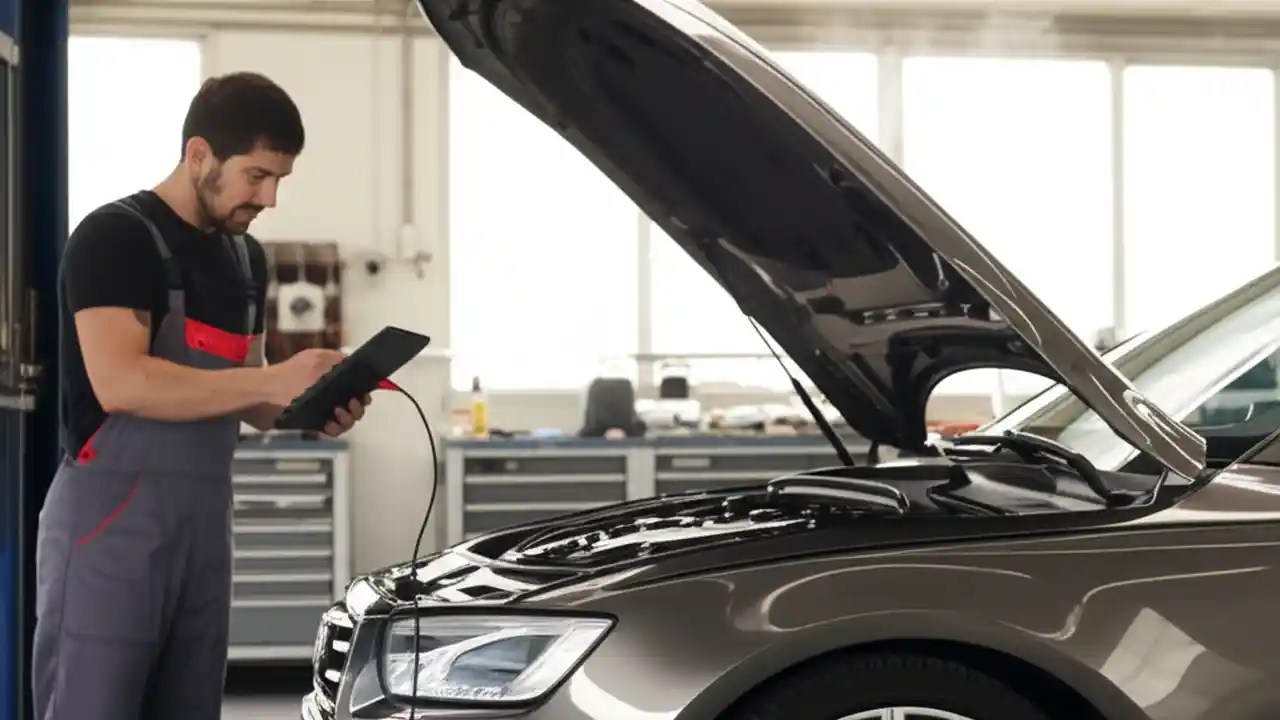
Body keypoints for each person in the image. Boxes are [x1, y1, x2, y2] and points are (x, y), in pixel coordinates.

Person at [31, 71, 368, 719]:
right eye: (256, 176)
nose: (268, 199)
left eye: (280, 181)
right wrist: (269, 379)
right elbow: (121, 381)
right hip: (110, 532)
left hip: (204, 533)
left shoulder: (245, 262)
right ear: (198, 156)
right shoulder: (114, 238)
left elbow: (252, 401)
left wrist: (312, 405)